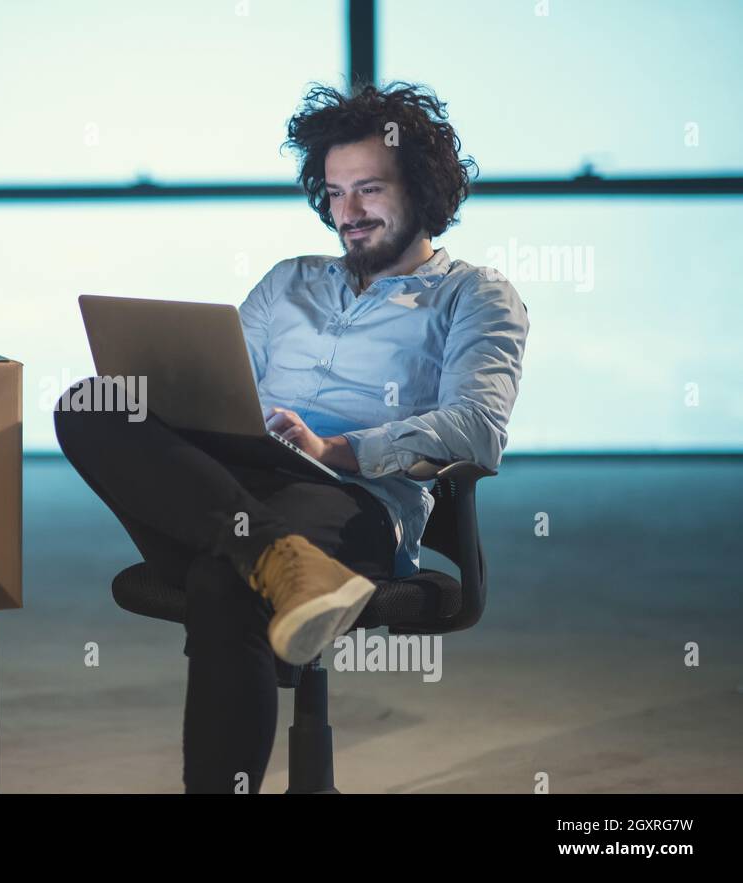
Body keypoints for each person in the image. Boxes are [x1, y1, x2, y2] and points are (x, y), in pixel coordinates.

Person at [54, 81, 530, 794]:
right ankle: (281, 558)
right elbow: (217, 386)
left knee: (225, 579)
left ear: (423, 190)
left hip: (350, 500)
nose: (349, 212)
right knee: (93, 402)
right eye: (336, 193)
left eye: (369, 189)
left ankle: (270, 564)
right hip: (238, 483)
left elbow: (477, 428)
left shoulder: (475, 295)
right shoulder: (289, 283)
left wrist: (335, 449)